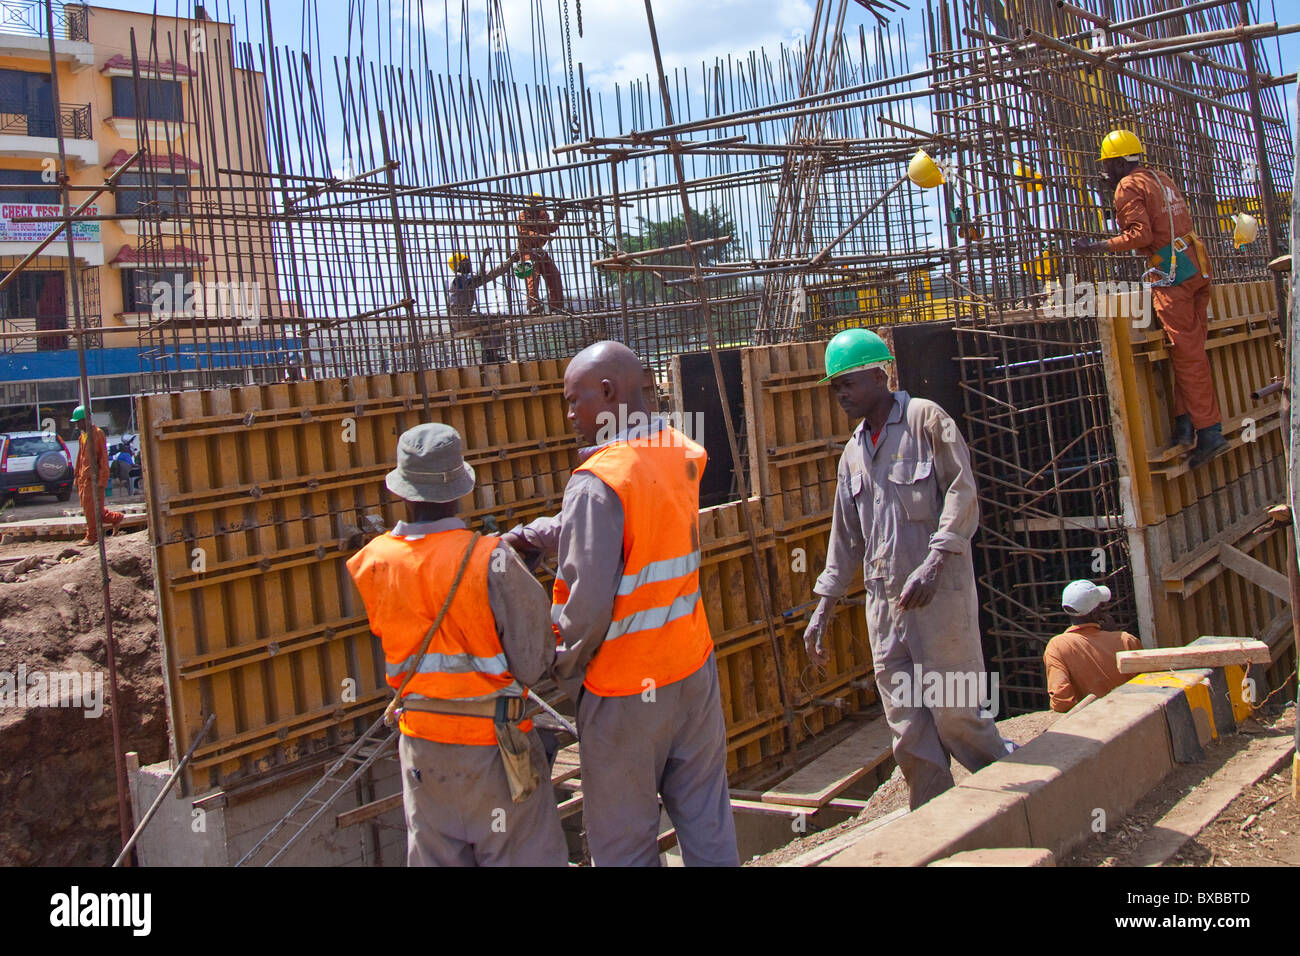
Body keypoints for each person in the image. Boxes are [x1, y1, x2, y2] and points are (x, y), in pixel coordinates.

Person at [504, 341, 738, 866]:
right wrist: (538, 534)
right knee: (706, 818)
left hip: (626, 689)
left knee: (624, 845)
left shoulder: (597, 482)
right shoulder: (676, 449)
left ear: (607, 393)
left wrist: (553, 667)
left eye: (574, 400)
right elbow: (635, 523)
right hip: (692, 670)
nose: (570, 415)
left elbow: (583, 613)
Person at [803, 328, 1010, 811]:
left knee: (956, 712)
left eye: (848, 383)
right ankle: (935, 817)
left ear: (880, 375)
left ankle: (1005, 804)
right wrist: (823, 609)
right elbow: (845, 539)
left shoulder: (924, 419)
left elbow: (962, 491)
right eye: (835, 387)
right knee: (906, 721)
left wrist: (937, 560)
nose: (841, 395)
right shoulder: (852, 452)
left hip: (938, 596)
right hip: (884, 604)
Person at [345, 423, 568, 867]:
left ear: (402, 491)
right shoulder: (490, 558)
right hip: (494, 750)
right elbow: (532, 663)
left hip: (422, 751)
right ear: (459, 491)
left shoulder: (372, 561)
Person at [1073, 129, 1227, 469]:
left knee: (1188, 357)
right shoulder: (1160, 177)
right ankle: (1185, 426)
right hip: (1196, 263)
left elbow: (1139, 234)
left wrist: (1095, 247)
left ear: (1115, 162)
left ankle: (1210, 432)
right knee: (1189, 350)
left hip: (1173, 273)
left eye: (1107, 164)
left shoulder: (1128, 186)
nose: (1105, 172)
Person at [1043, 580, 1141, 714]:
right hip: (1133, 718)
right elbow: (1147, 688)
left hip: (1093, 726)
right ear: (1094, 613)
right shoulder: (1127, 640)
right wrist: (1116, 635)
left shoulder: (1057, 646)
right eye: (1101, 606)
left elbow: (1061, 702)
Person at [447, 249, 516, 363]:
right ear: (458, 266)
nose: (469, 264)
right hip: (461, 319)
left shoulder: (468, 280)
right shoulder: (458, 279)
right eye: (466, 262)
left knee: (492, 323)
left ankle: (489, 354)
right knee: (495, 320)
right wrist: (483, 258)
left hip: (466, 318)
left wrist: (510, 261)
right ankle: (490, 354)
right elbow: (480, 276)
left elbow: (493, 273)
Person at [72, 405, 124, 546]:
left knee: (92, 510)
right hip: (84, 479)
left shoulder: (98, 434)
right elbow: (80, 459)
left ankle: (92, 536)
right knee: (91, 510)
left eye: (79, 421)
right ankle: (116, 518)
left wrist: (102, 480)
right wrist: (77, 476)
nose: (77, 425)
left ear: (86, 420)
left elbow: (103, 459)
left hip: (94, 480)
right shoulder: (81, 437)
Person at [517, 193, 565, 314]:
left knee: (554, 275)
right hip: (526, 250)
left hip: (539, 250)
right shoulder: (523, 215)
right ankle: (533, 305)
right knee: (533, 275)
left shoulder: (543, 214)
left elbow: (550, 228)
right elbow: (525, 233)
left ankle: (556, 305)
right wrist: (543, 236)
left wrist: (558, 219)